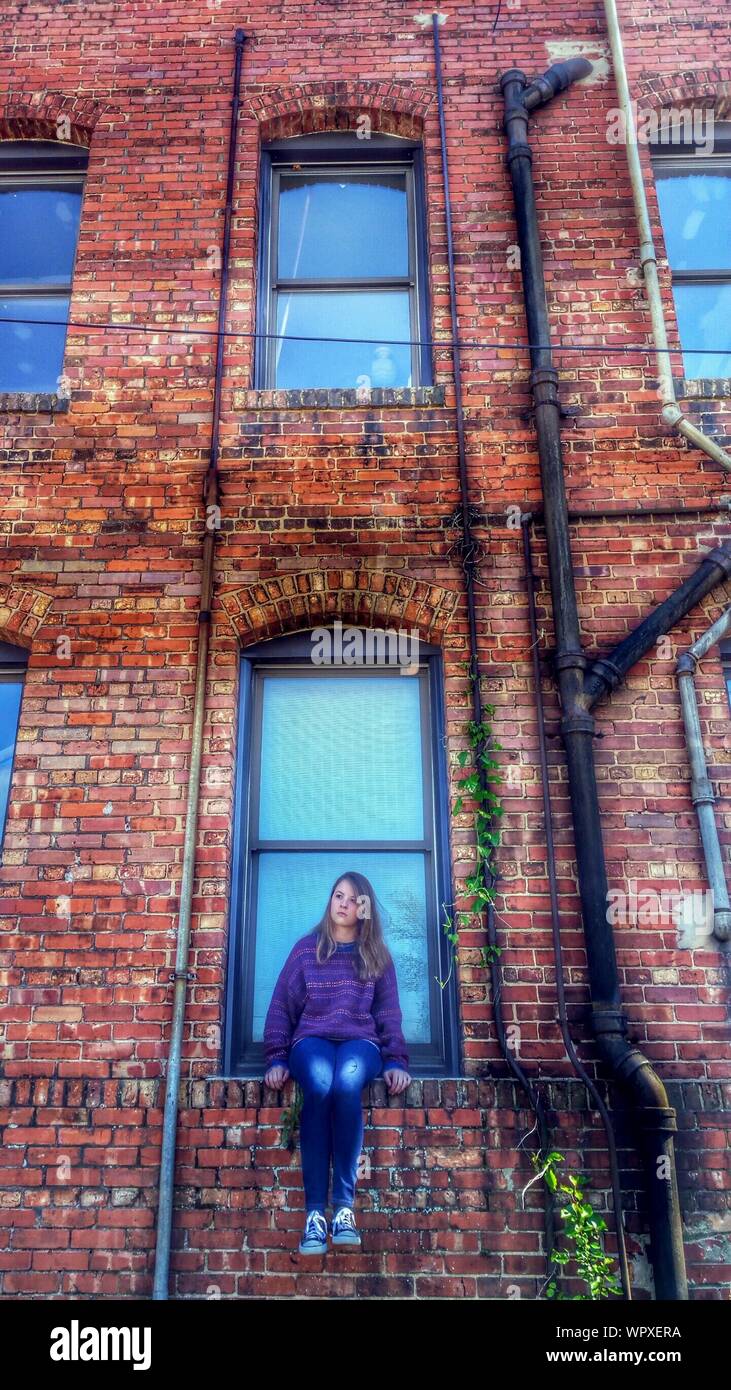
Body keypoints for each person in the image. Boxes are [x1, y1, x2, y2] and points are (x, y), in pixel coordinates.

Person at [263, 870, 411, 1255]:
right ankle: (315, 1216)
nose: (344, 905)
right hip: (310, 1040)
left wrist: (396, 1059)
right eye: (338, 896)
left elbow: (389, 1014)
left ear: (365, 909)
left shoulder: (376, 957)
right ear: (330, 901)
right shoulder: (305, 951)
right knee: (320, 1084)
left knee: (346, 1085)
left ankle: (343, 1208)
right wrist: (277, 1057)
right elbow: (282, 1005)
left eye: (353, 900)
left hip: (360, 1042)